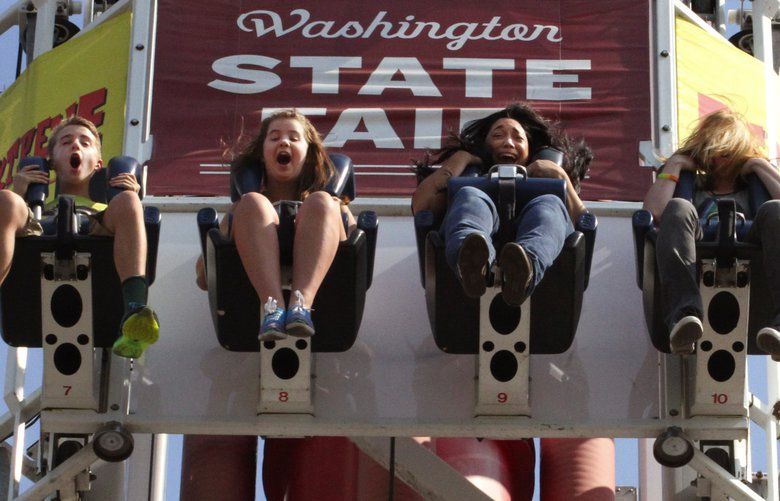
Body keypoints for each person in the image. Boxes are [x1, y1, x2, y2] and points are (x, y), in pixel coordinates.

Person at [0, 115, 159, 358]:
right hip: (41, 232)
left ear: (98, 164)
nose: (76, 145)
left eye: (85, 143)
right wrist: (19, 192)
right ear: (51, 162)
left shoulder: (107, 209)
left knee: (128, 201)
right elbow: (14, 212)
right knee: (5, 199)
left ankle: (135, 310)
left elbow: (124, 213)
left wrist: (131, 195)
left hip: (96, 231)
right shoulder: (35, 209)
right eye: (66, 142)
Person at [195, 108, 355, 340]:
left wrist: (337, 206)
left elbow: (358, 260)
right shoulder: (245, 207)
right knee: (253, 202)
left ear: (309, 153)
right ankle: (274, 308)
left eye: (294, 137)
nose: (284, 142)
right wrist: (233, 217)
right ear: (262, 153)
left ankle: (301, 305)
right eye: (275, 137)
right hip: (250, 304)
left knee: (320, 200)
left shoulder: (333, 205)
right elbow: (203, 279)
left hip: (330, 298)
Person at [412, 103, 592, 305]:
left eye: (518, 138)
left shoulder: (550, 186)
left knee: (549, 205)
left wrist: (560, 176)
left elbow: (583, 224)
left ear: (531, 150)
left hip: (545, 273)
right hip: (465, 278)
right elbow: (422, 207)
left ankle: (525, 270)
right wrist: (457, 162)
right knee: (471, 197)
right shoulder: (467, 183)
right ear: (484, 146)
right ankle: (472, 265)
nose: (508, 143)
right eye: (498, 136)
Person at [643, 108, 780, 357]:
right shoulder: (693, 187)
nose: (720, 160)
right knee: (678, 207)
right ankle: (685, 318)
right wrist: (674, 164)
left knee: (775, 210)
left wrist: (760, 165)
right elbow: (653, 212)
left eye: (727, 152)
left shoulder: (754, 186)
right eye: (713, 151)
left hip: (751, 252)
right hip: (699, 247)